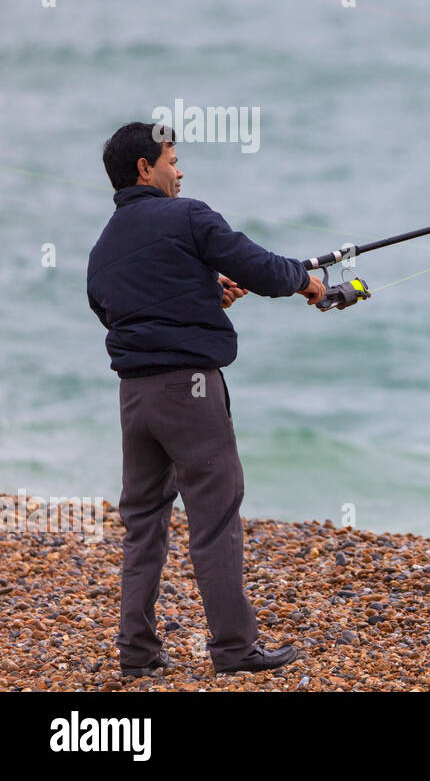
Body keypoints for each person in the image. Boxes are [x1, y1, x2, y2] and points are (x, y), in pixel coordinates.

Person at [86, 122, 326, 677]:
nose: (181, 170)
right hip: (189, 391)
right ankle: (235, 650)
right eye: (172, 159)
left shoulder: (103, 246)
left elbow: (116, 308)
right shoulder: (188, 214)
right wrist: (309, 285)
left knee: (144, 521)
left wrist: (201, 294)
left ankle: (138, 656)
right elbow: (259, 266)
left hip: (134, 399)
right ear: (146, 168)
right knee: (215, 516)